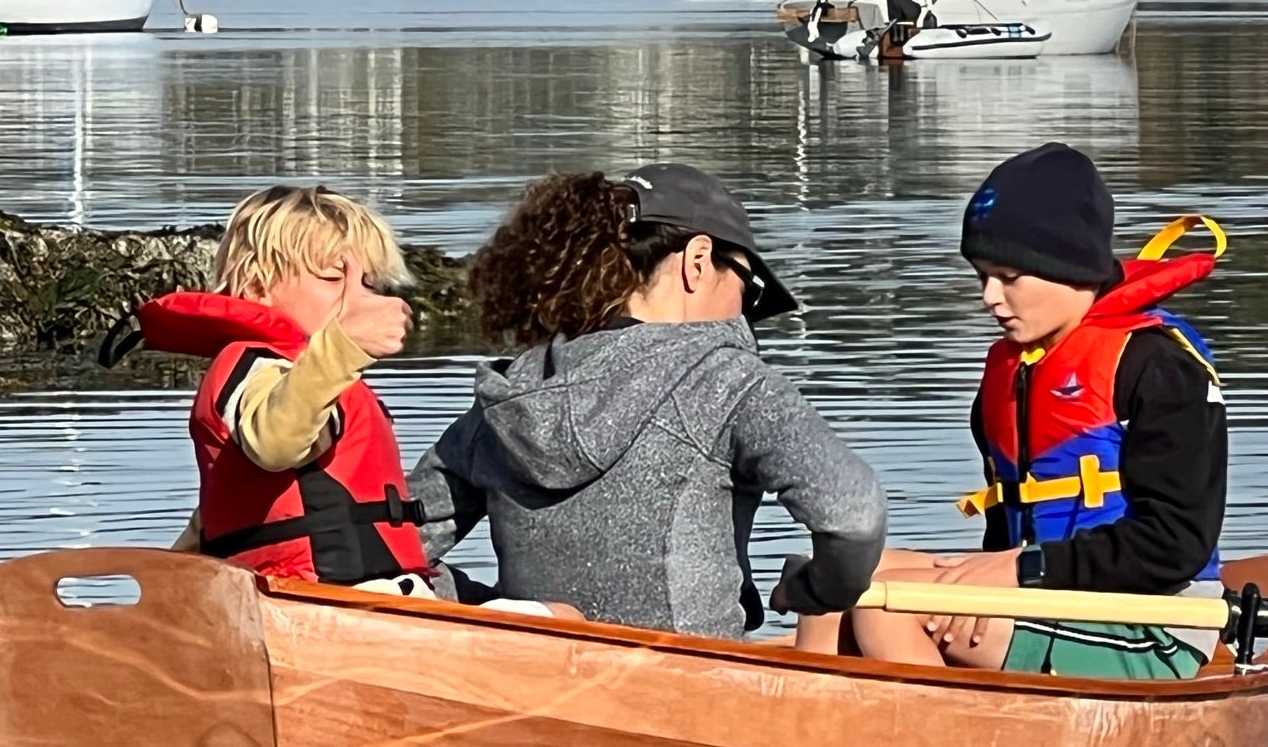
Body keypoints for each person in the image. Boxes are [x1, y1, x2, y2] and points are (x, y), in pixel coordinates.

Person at [406, 163, 887, 640]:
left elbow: (393, 544)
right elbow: (854, 514)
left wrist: (503, 612)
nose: (746, 314)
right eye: (749, 289)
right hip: (695, 691)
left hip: (535, 676)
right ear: (697, 261)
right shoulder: (729, 381)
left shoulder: (510, 395)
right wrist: (818, 592)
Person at [842, 143, 1227, 678]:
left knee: (884, 608)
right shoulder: (1015, 369)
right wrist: (989, 589)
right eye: (982, 276)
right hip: (1044, 593)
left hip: (1154, 619)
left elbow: (1176, 546)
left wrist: (1022, 572)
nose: (989, 298)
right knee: (839, 578)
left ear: (1068, 267)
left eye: (1008, 277)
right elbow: (1007, 524)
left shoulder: (1159, 368)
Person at [133, 184, 554, 611]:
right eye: (333, 277)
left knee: (553, 612)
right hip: (330, 605)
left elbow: (217, 522)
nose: (360, 296)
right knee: (554, 620)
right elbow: (276, 443)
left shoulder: (304, 379)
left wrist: (168, 593)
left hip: (351, 598)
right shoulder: (262, 368)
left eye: (369, 282)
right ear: (258, 287)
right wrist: (342, 345)